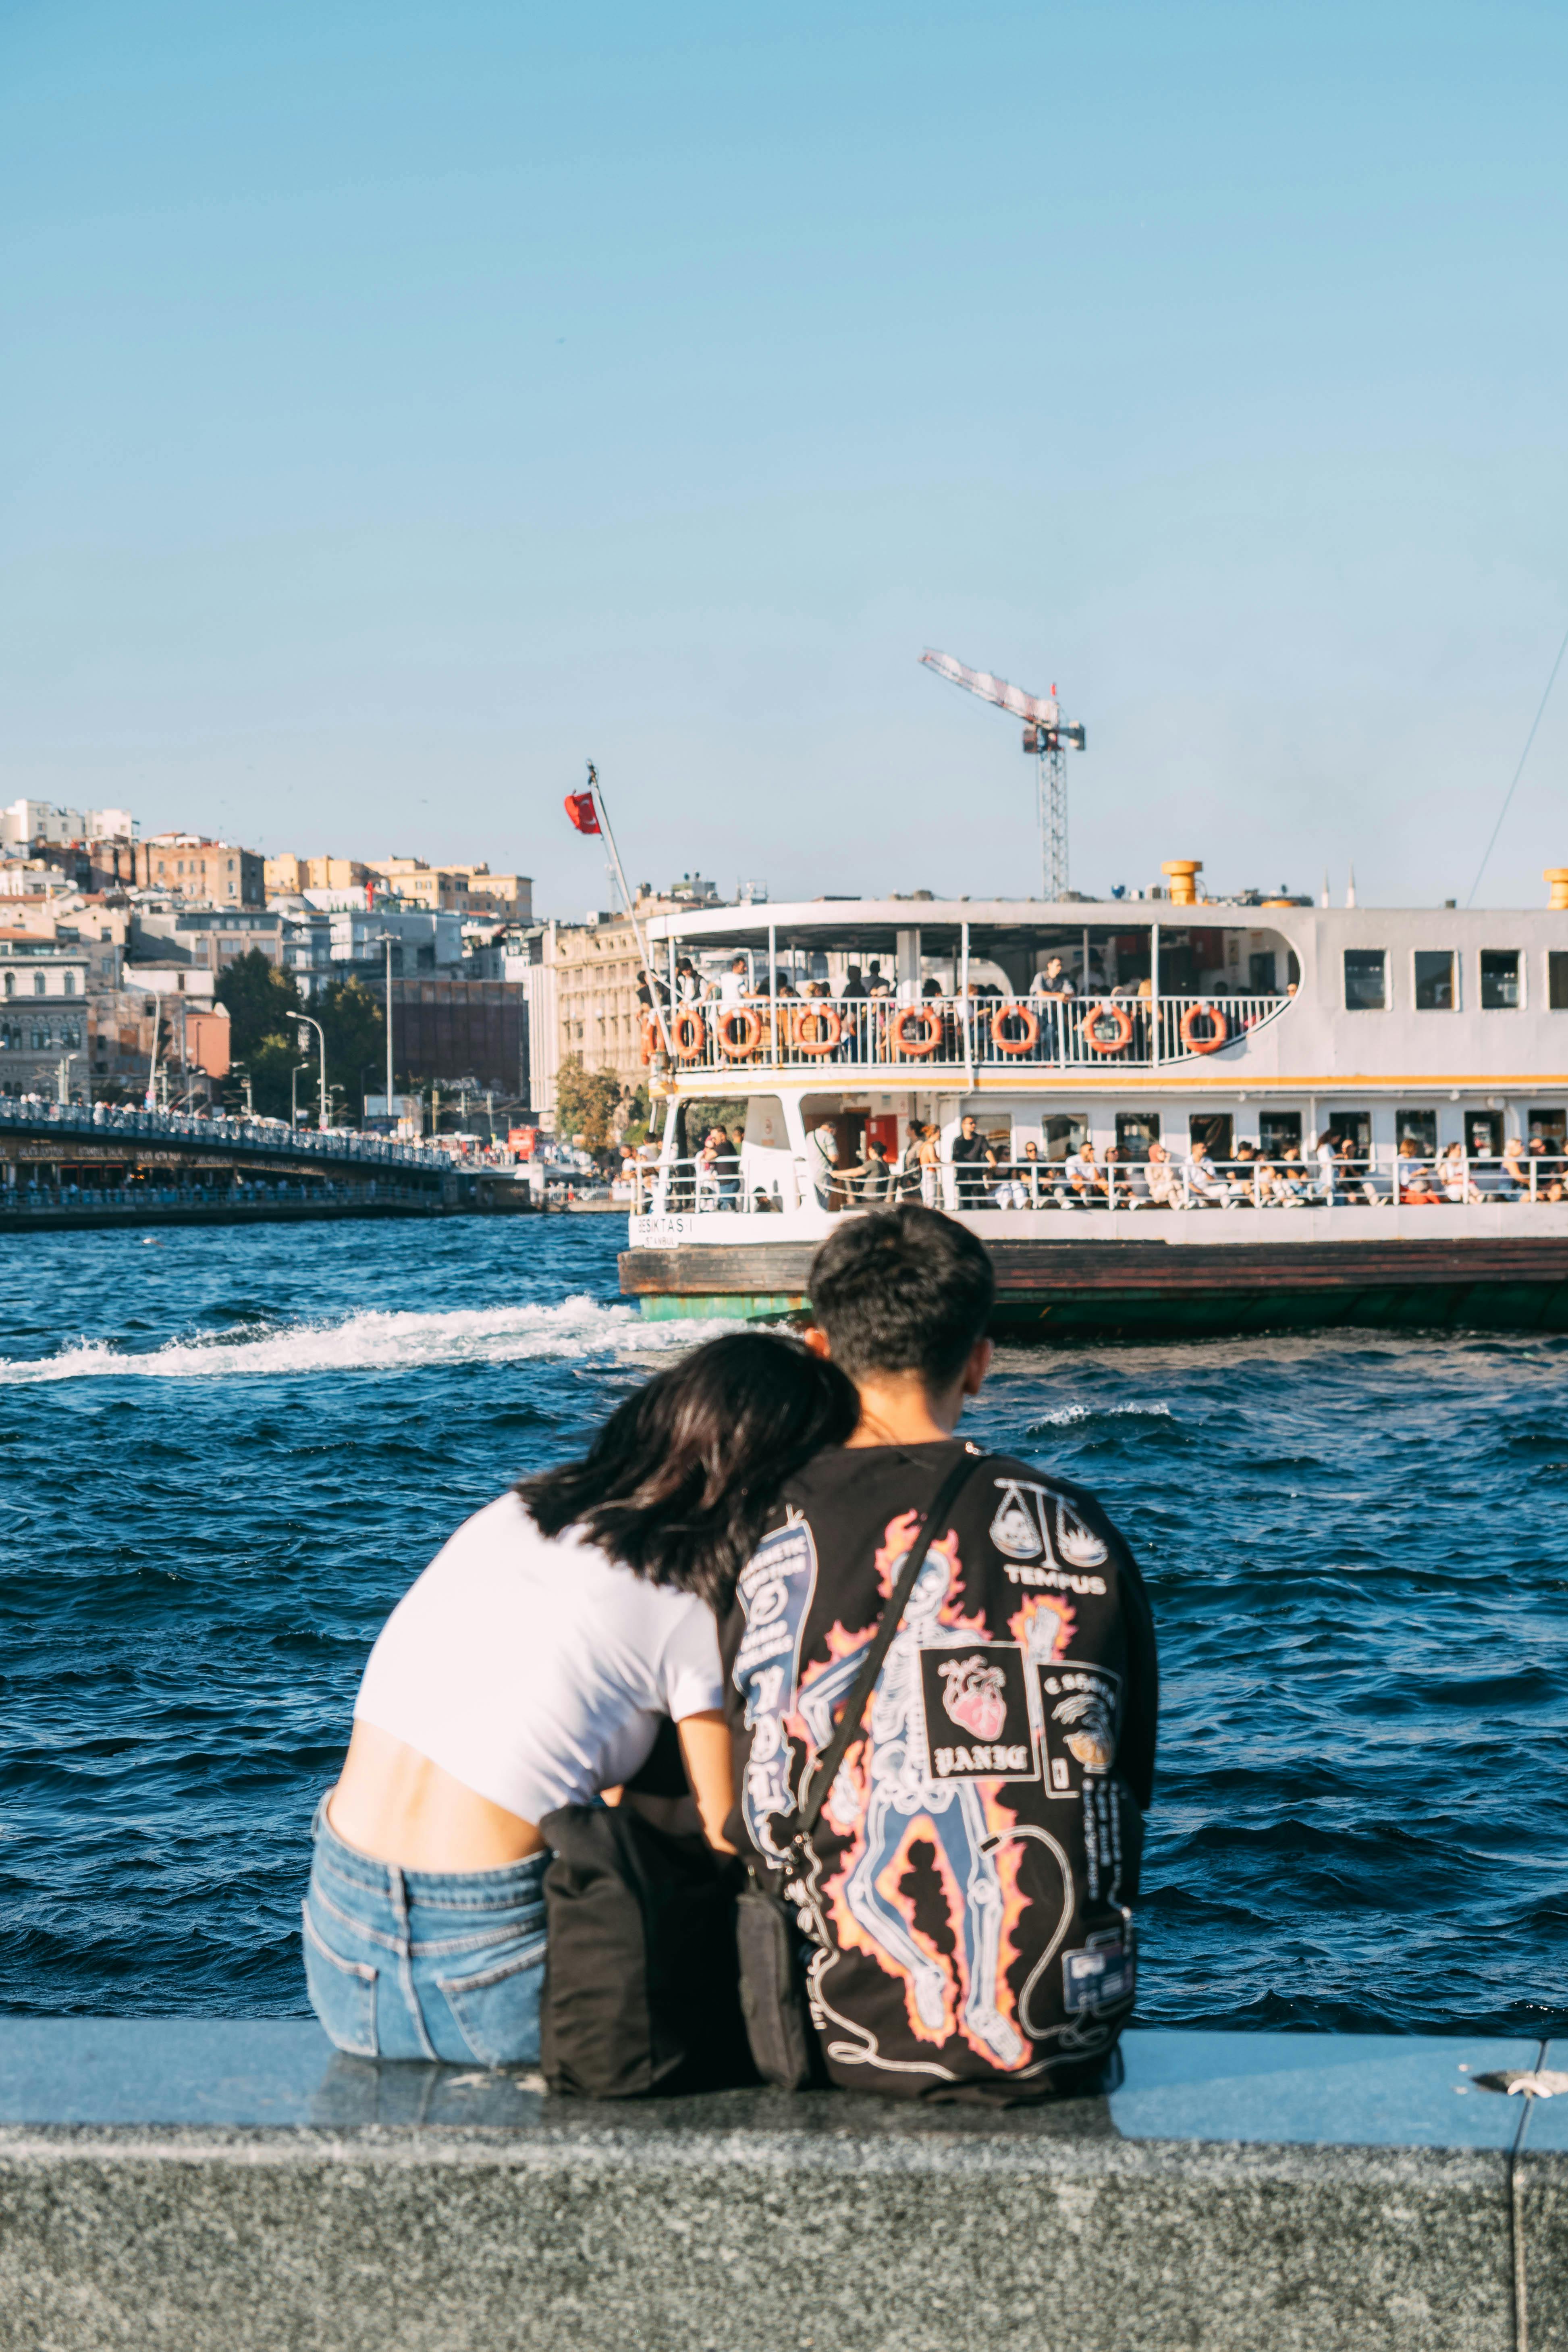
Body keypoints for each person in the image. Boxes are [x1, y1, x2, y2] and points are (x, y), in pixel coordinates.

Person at [304, 1335, 858, 2065]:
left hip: (337, 1944)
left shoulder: (514, 1512)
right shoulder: (687, 1590)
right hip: (486, 1966)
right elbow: (729, 1837)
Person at [721, 1206, 1157, 2101]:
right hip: (1066, 2046)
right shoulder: (1074, 1526)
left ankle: (915, 1978)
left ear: (818, 1349)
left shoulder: (758, 1529)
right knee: (975, 1878)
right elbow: (1121, 1766)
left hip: (826, 2049)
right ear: (979, 1359)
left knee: (883, 1883)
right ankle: (993, 2001)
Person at [948, 1114, 993, 1210]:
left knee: (983, 1204)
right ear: (963, 1125)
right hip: (963, 1177)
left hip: (977, 1177)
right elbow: (955, 1157)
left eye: (975, 1123)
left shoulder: (980, 1139)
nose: (974, 1125)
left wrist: (993, 1161)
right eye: (971, 1123)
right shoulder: (958, 1141)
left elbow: (987, 1151)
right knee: (966, 1205)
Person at [805, 1120, 841, 1209]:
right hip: (822, 1172)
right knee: (823, 1200)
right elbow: (834, 1158)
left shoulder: (810, 1135)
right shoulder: (828, 1136)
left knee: (812, 1199)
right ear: (831, 1130)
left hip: (809, 1172)